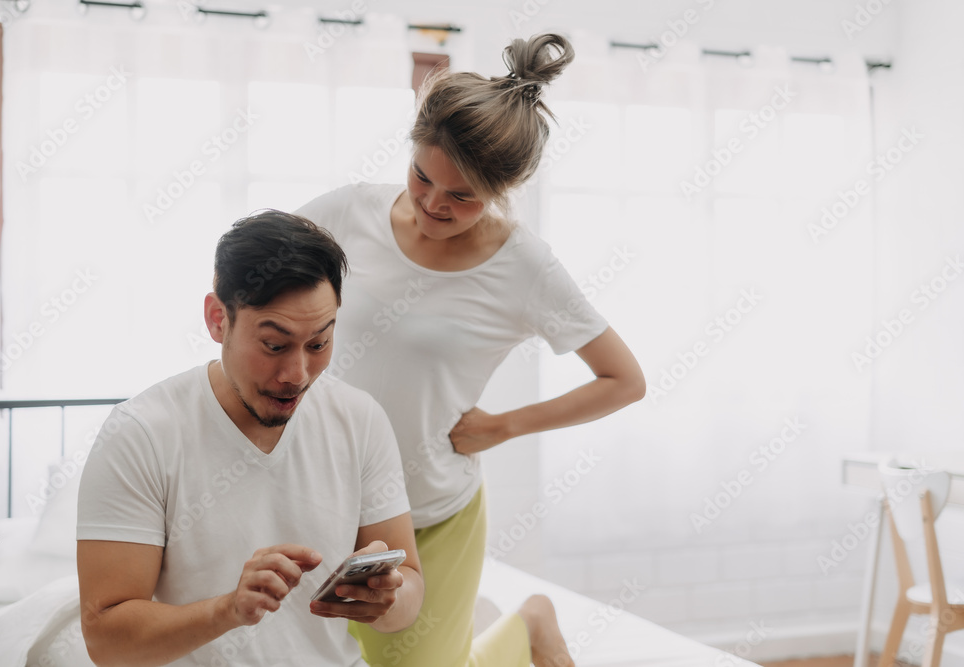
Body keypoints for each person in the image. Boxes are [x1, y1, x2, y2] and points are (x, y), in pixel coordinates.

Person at [294, 33, 646, 667]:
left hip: (432, 509)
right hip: (322, 497)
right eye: (423, 176)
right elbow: (255, 283)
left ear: (505, 188)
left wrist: (503, 426)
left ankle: (530, 625)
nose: (433, 204)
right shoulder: (348, 213)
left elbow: (624, 380)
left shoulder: (525, 267)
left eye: (461, 197)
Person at [75, 211, 424, 666]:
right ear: (218, 319)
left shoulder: (360, 419)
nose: (297, 375)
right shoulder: (141, 434)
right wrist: (228, 610)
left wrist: (389, 598)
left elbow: (411, 592)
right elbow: (106, 642)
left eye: (318, 344)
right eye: (275, 346)